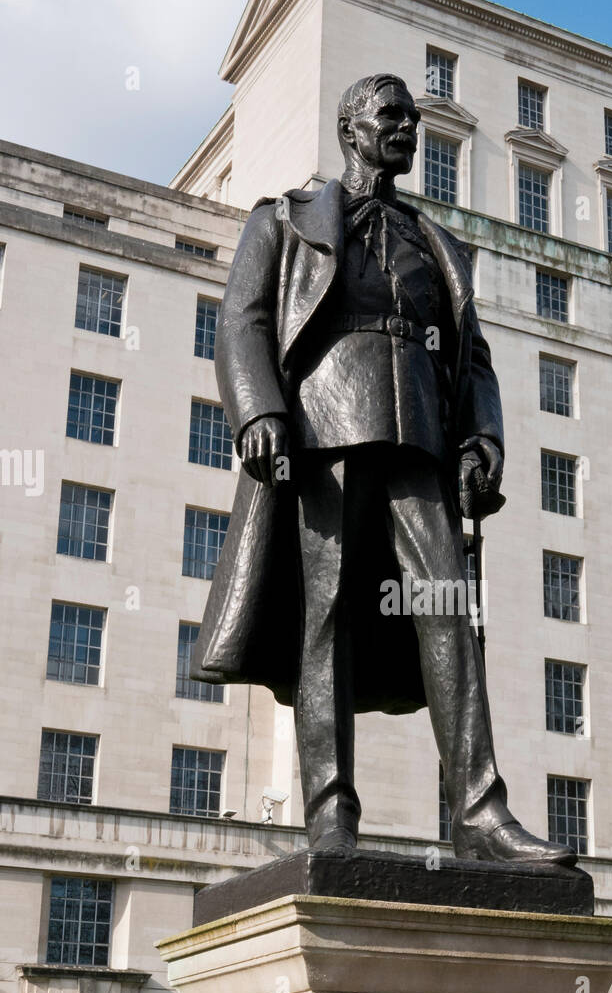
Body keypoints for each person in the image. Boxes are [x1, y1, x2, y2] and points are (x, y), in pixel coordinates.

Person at [192, 73, 575, 868]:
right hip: (325, 431)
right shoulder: (284, 220)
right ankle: (330, 814)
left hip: (422, 445)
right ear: (350, 128)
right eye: (389, 116)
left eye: (412, 119)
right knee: (324, 618)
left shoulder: (439, 245)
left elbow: (474, 362)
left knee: (449, 617)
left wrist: (483, 442)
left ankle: (479, 813)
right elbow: (243, 322)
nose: (407, 129)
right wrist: (260, 411)